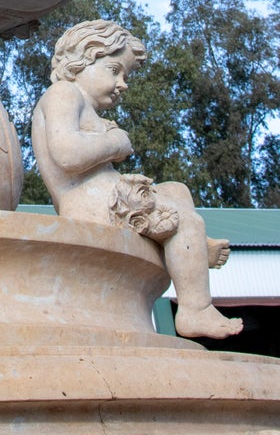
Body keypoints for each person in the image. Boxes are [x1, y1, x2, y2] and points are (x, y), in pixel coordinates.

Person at [31, 20, 243, 340]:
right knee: (186, 222)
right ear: (81, 61)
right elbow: (68, 155)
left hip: (107, 194)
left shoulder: (79, 103)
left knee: (176, 190)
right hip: (89, 201)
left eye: (125, 75)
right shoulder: (63, 93)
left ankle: (192, 249)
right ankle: (194, 309)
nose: (122, 83)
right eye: (115, 70)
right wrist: (116, 142)